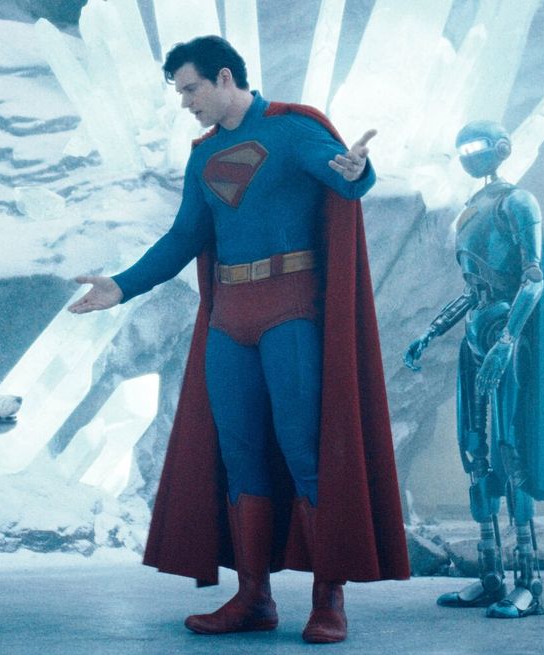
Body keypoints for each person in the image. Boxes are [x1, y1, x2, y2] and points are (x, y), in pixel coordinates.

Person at [70, 35, 408, 644]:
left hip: (290, 310)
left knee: (304, 451)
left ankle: (328, 597)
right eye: (180, 93)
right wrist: (120, 286)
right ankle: (254, 596)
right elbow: (184, 238)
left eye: (191, 89)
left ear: (225, 77)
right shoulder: (203, 156)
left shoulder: (292, 128)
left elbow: (345, 181)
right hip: (229, 318)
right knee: (239, 454)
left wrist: (358, 170)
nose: (185, 102)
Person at [403, 120, 544, 618]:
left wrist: (507, 339)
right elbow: (471, 290)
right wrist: (432, 331)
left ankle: (528, 581)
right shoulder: (471, 210)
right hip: (477, 335)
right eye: (463, 147)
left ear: (500, 149)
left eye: (477, 146)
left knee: (510, 448)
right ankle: (491, 574)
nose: (469, 154)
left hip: (505, 335)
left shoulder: (518, 202)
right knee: (474, 449)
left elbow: (532, 278)